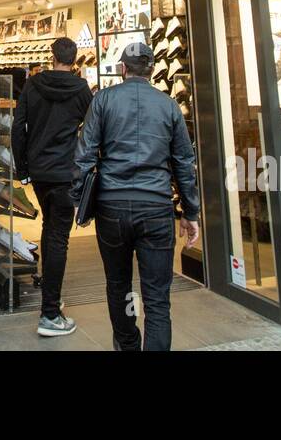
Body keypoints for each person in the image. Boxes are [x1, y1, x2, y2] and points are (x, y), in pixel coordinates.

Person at [71, 40, 200, 351]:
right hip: (156, 207)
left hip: (112, 207)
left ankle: (127, 344)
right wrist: (190, 211)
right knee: (157, 296)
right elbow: (184, 161)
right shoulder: (168, 105)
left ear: (123, 69)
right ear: (152, 70)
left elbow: (84, 154)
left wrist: (80, 201)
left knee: (118, 285)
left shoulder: (103, 100)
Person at [14, 37, 93, 337]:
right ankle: (49, 315)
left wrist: (22, 170)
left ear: (52, 55)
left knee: (50, 230)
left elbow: (18, 128)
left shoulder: (33, 85)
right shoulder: (81, 89)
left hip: (39, 171)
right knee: (59, 237)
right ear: (74, 60)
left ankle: (53, 297)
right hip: (65, 172)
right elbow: (93, 127)